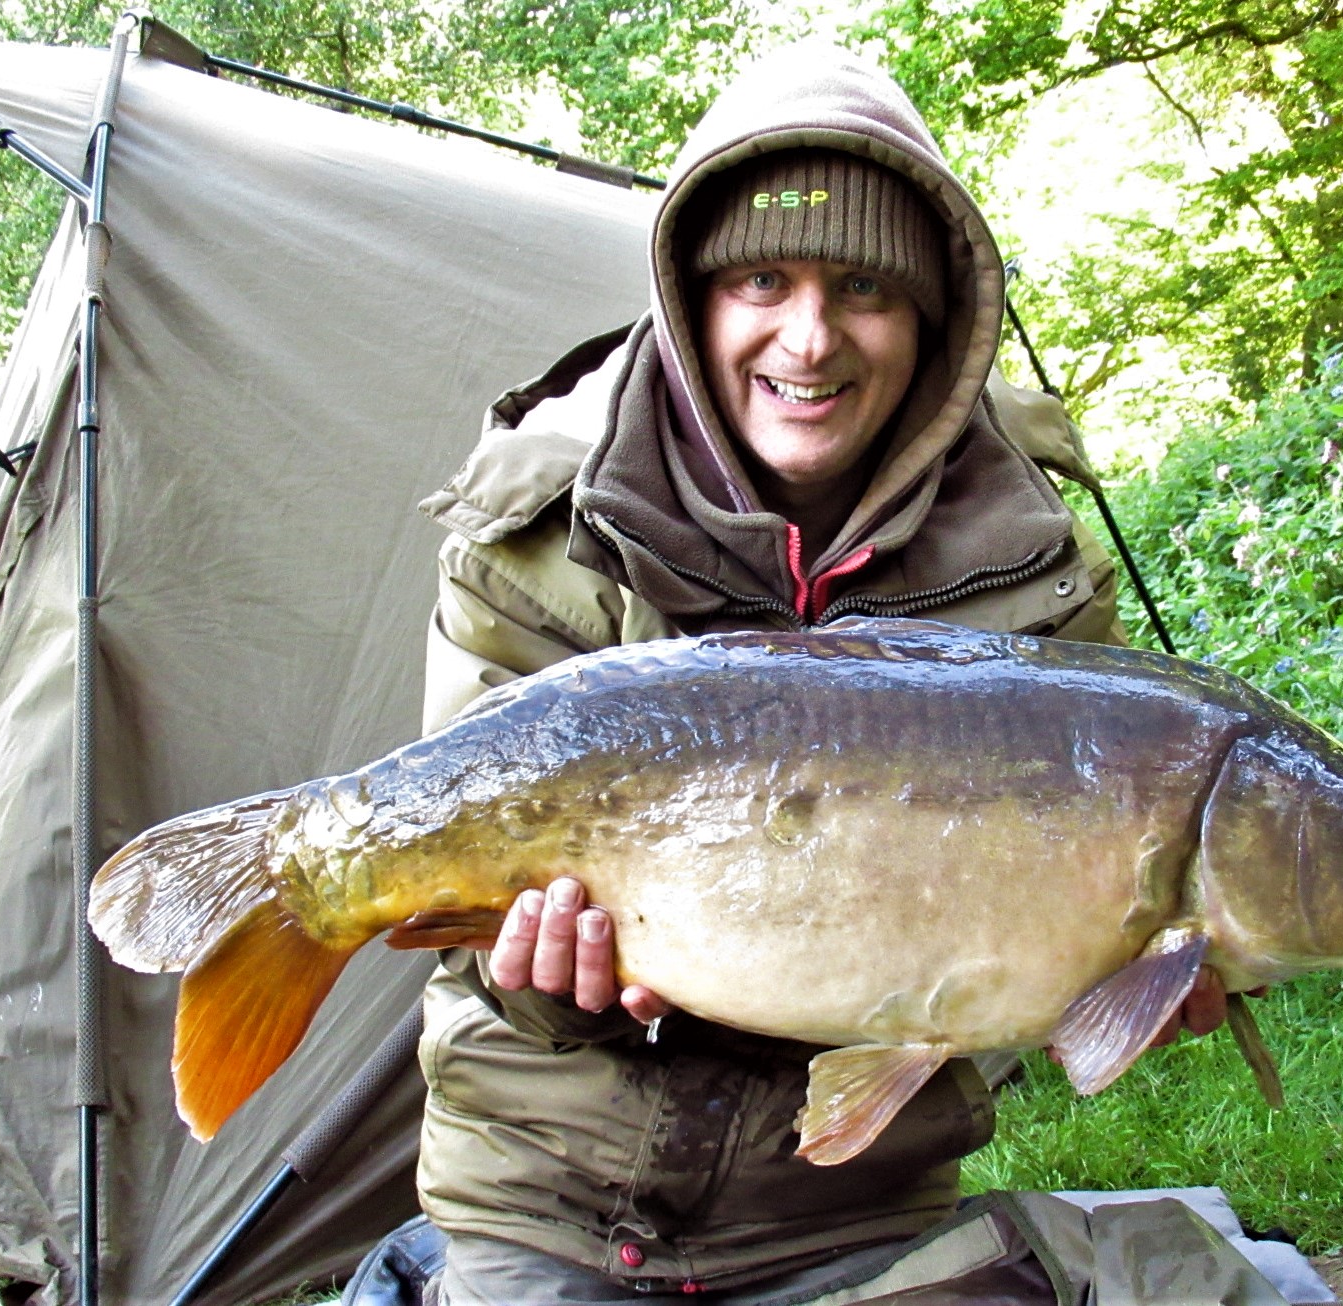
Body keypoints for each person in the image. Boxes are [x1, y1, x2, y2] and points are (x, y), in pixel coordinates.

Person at [413, 41, 1235, 1304]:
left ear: (930, 319)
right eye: (761, 278)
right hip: (549, 1192)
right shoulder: (537, 530)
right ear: (694, 301)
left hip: (855, 1205)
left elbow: (1058, 989)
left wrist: (1119, 978)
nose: (811, 336)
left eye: (864, 285)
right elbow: (464, 918)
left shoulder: (1036, 566)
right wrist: (541, 984)